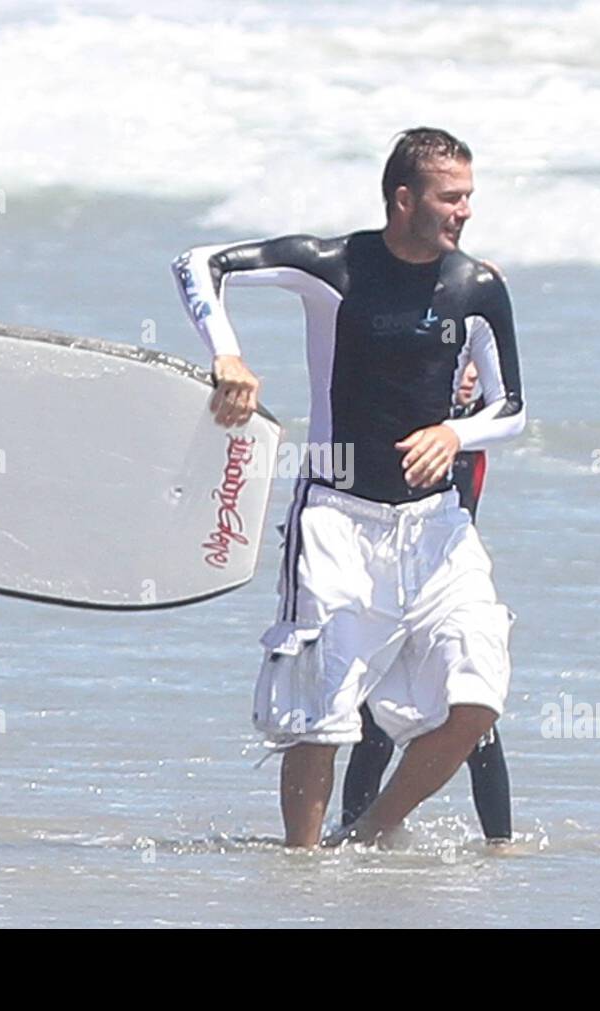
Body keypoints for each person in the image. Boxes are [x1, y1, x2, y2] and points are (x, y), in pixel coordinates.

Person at [172, 127, 526, 847]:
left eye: (469, 197)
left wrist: (457, 434)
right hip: (335, 516)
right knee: (320, 717)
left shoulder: (476, 286)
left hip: (436, 528)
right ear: (405, 199)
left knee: (478, 694)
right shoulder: (333, 266)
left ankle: (366, 837)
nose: (463, 211)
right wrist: (228, 357)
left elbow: (511, 407)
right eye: (450, 197)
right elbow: (197, 263)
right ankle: (302, 871)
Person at [340, 360, 514, 843]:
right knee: (373, 726)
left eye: (477, 364)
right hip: (390, 579)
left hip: (449, 581)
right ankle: (354, 838)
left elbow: (510, 411)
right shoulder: (405, 412)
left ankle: (500, 846)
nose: (468, 374)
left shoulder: (476, 426)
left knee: (478, 722)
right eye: (460, 362)